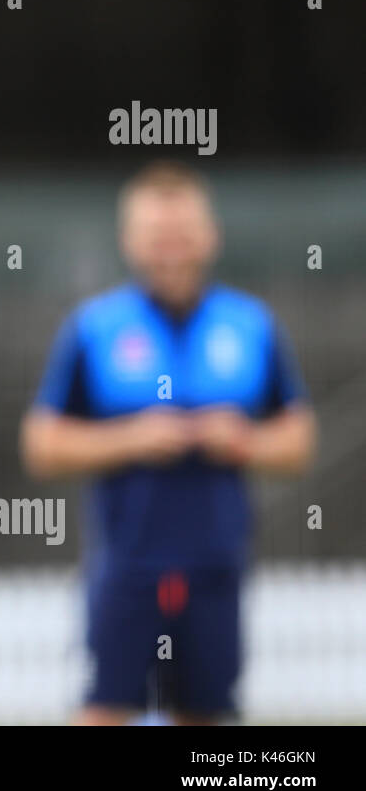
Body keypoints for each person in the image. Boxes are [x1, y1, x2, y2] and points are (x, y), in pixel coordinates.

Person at [20, 161, 316, 725]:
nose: (171, 251)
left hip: (217, 566)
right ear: (130, 242)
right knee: (105, 709)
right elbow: (42, 444)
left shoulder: (251, 326)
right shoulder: (94, 329)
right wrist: (131, 439)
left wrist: (243, 441)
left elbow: (299, 441)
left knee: (207, 719)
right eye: (157, 238)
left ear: (210, 236)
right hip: (126, 567)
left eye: (182, 236)